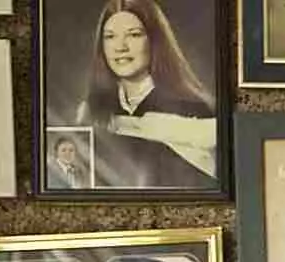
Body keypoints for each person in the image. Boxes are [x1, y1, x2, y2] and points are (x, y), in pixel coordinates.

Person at [74, 0, 218, 190]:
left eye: (134, 35)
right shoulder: (91, 113)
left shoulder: (194, 108)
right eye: (110, 37)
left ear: (154, 40)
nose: (120, 47)